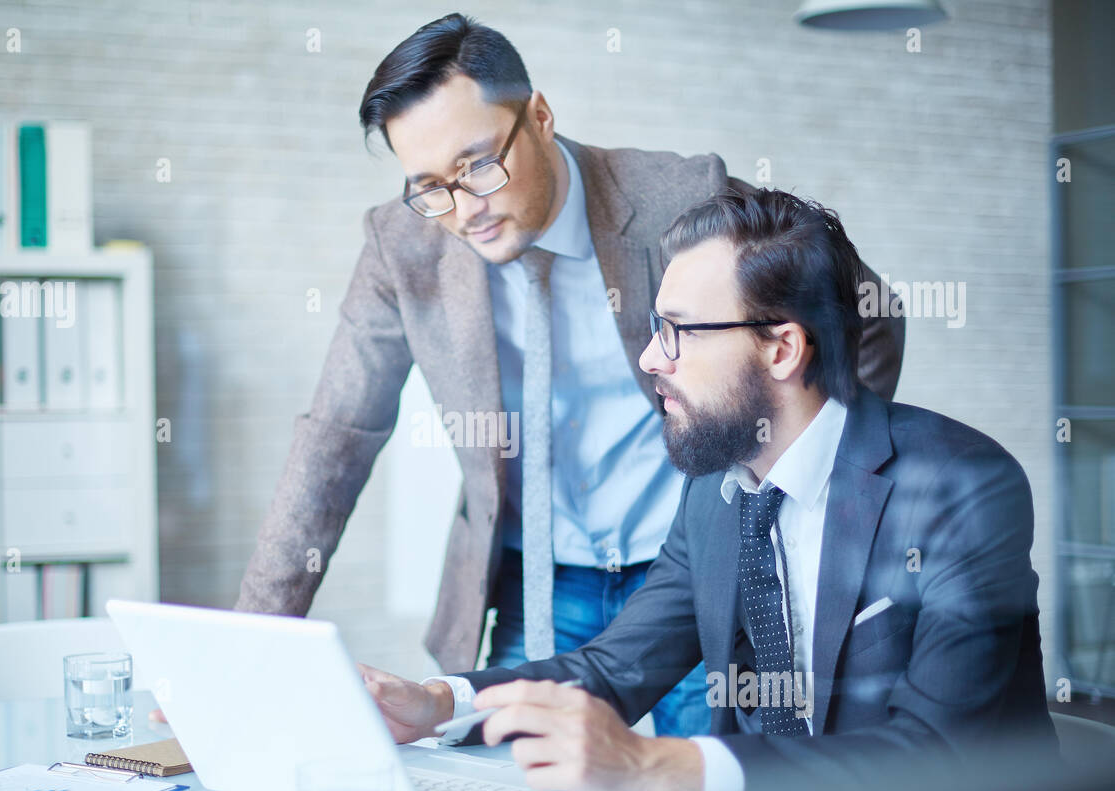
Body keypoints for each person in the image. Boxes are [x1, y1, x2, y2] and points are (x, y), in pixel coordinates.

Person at [232, 12, 904, 737]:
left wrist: (792, 472)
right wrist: (248, 651)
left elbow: (867, 315)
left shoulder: (679, 196)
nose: (463, 210)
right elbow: (336, 437)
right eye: (430, 186)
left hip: (687, 574)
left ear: (540, 116)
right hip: (533, 581)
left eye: (479, 166)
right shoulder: (402, 246)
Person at [358, 186, 1056, 791]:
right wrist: (438, 703)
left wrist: (654, 765)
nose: (650, 360)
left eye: (679, 331)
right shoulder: (716, 495)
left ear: (782, 348)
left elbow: (934, 757)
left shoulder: (960, 486)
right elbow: (613, 668)